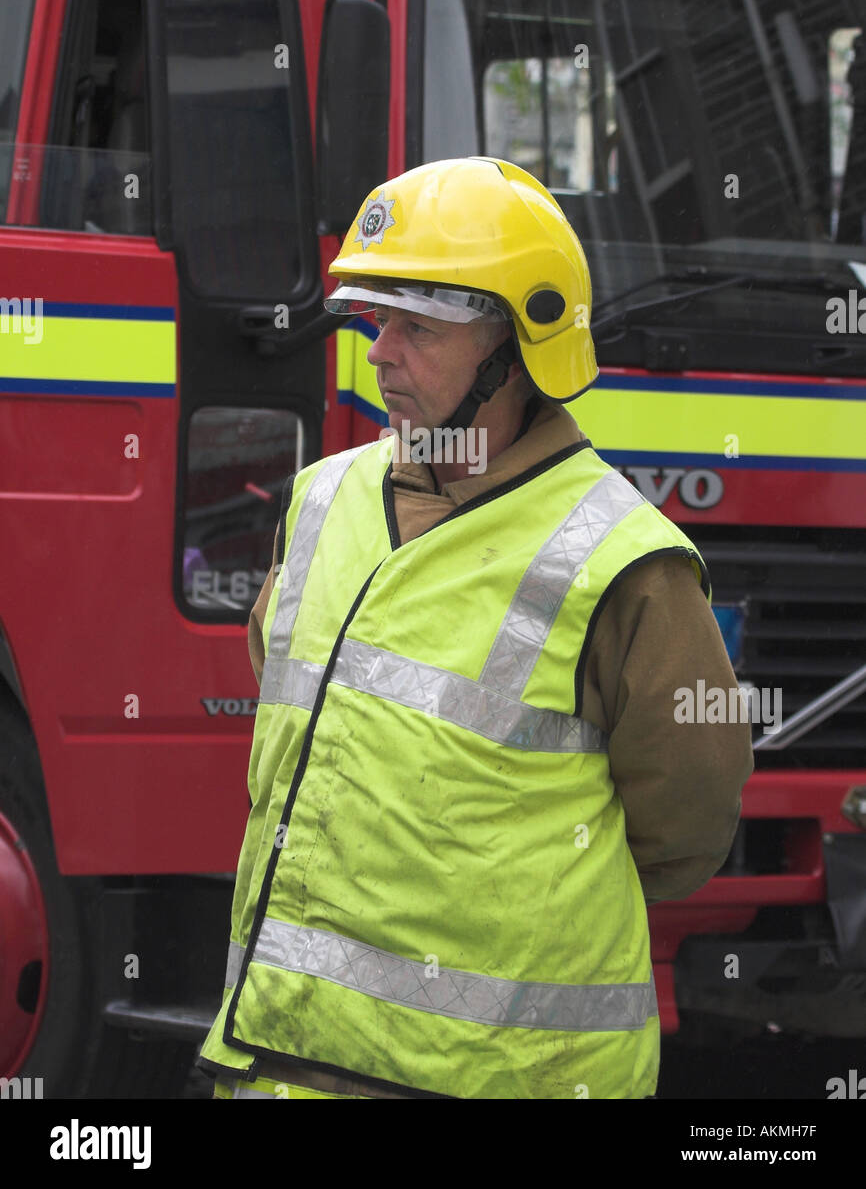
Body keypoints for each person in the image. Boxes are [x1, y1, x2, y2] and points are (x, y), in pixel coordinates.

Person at [198, 156, 753, 1100]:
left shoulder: (626, 562)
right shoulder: (326, 499)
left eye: (417, 327)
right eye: (378, 321)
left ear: (518, 347)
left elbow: (686, 826)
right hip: (277, 1065)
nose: (380, 353)